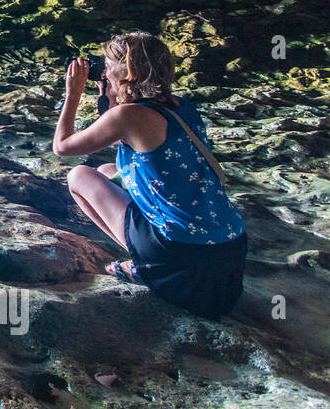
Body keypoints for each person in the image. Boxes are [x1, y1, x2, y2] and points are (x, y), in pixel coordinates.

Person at [52, 31, 248, 319]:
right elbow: (125, 142)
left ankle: (143, 264)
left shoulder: (128, 116)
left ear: (126, 71)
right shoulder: (183, 107)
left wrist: (73, 93)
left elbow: (62, 147)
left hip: (179, 255)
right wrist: (108, 97)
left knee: (80, 176)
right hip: (228, 250)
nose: (103, 71)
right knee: (108, 171)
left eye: (107, 65)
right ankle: (146, 255)